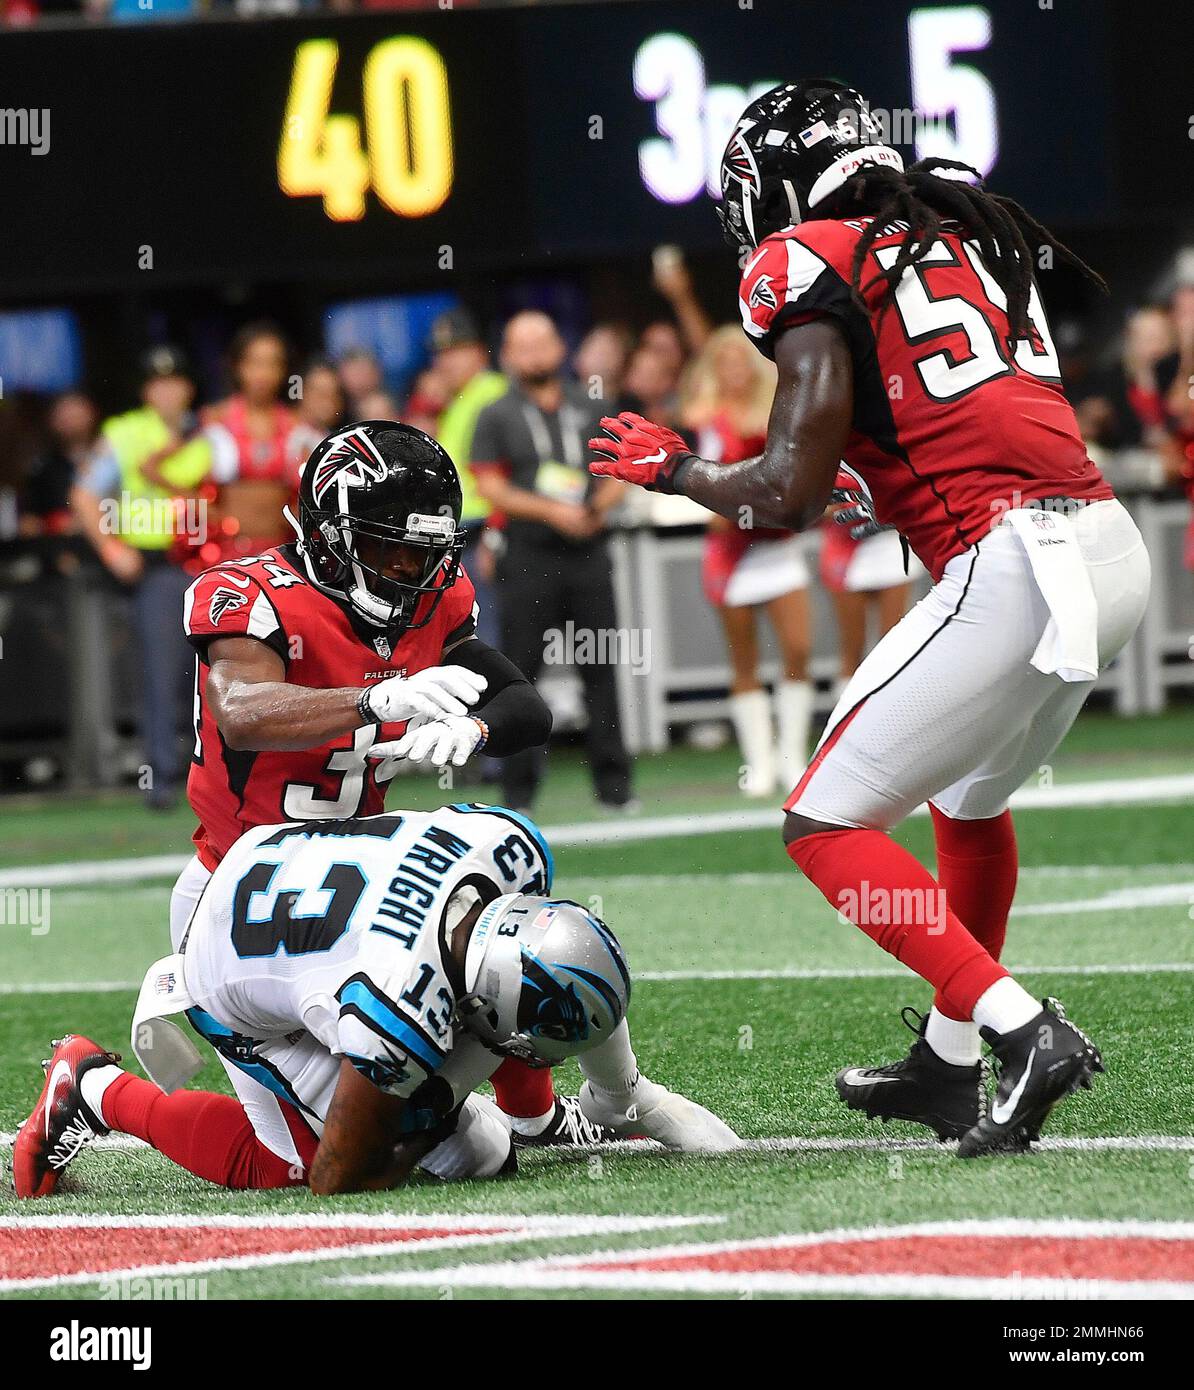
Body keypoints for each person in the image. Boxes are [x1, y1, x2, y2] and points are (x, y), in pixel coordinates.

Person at [590, 79, 1151, 1156]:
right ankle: (946, 1065)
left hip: (1013, 563)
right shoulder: (968, 235)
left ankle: (1021, 1027)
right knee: (969, 802)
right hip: (1104, 545)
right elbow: (948, 413)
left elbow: (783, 495)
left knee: (825, 824)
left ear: (787, 185)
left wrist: (681, 469)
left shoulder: (805, 259)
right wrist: (876, 474)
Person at [176, 418, 610, 1150]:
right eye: (390, 547)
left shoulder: (438, 600)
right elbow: (241, 713)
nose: (411, 570)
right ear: (331, 532)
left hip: (359, 878)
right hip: (244, 897)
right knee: (326, 1154)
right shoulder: (249, 594)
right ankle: (94, 1089)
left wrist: (472, 732)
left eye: (425, 551)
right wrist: (375, 700)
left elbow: (522, 704)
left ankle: (537, 1116)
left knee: (484, 927)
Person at [13, 804, 738, 1199]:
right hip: (229, 978)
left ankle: (563, 1112)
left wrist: (631, 1097)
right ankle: (95, 1090)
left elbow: (556, 962)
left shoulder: (504, 848)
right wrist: (433, 1112)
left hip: (264, 875)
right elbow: (339, 1176)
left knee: (549, 981)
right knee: (424, 1156)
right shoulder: (400, 1005)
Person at [472, 311, 634, 814]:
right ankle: (516, 794)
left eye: (543, 342)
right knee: (520, 674)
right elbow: (490, 484)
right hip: (528, 555)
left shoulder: (592, 407)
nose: (536, 354)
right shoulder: (497, 414)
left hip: (588, 552)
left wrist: (596, 507)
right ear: (508, 355)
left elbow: (622, 468)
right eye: (524, 346)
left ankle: (614, 789)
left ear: (560, 347)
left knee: (601, 666)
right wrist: (552, 512)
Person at [73, 346, 213, 808]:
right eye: (158, 383)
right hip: (159, 565)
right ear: (147, 390)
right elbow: (85, 494)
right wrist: (113, 547)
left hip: (216, 560)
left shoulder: (209, 429)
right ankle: (164, 778)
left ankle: (221, 772)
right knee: (162, 673)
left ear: (187, 388)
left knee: (221, 671)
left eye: (175, 382)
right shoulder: (126, 432)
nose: (168, 391)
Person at [682, 326, 814, 793]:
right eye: (725, 363)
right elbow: (711, 489)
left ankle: (793, 758)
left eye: (742, 361)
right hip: (732, 554)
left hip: (778, 547)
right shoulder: (706, 418)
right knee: (745, 661)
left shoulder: (777, 410)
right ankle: (759, 764)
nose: (734, 371)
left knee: (798, 650)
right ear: (715, 369)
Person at [430, 308, 507, 648]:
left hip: (487, 531)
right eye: (441, 353)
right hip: (464, 534)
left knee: (492, 639)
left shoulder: (492, 393)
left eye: (455, 351)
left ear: (478, 351)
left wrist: (495, 534)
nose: (446, 362)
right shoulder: (461, 399)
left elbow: (507, 470)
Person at [200, 322, 300, 565]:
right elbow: (179, 481)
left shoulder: (296, 425)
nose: (263, 374)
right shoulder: (214, 419)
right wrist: (214, 522)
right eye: (255, 363)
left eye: (272, 364)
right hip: (227, 554)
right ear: (238, 367)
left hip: (281, 555)